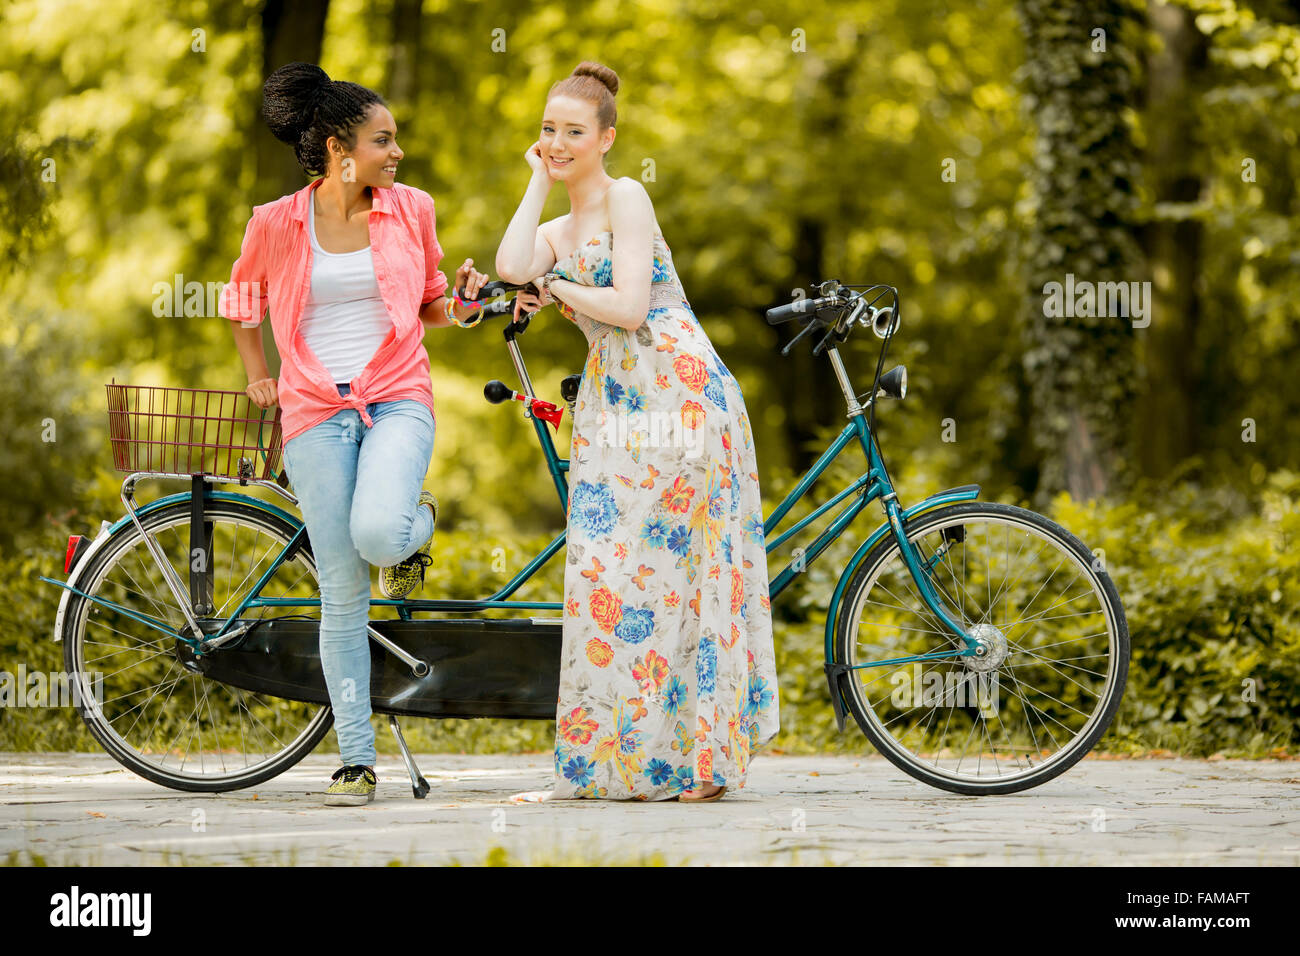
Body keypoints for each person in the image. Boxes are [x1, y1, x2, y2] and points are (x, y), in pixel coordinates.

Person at [495, 61, 779, 802]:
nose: (557, 142)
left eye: (573, 132)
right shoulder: (558, 225)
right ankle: (632, 759)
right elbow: (509, 264)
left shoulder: (628, 195)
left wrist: (552, 289)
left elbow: (626, 305)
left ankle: (705, 765)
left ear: (607, 137)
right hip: (613, 402)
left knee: (684, 574)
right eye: (548, 130)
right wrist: (535, 181)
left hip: (675, 389)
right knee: (609, 575)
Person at [217, 62, 488, 806]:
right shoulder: (275, 222)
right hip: (312, 410)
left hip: (397, 395)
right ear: (341, 147)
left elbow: (433, 303)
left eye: (395, 140)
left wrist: (462, 306)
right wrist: (256, 373)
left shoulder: (411, 209)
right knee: (342, 593)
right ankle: (355, 761)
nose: (396, 153)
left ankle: (414, 523)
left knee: (378, 535)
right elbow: (240, 300)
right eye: (383, 139)